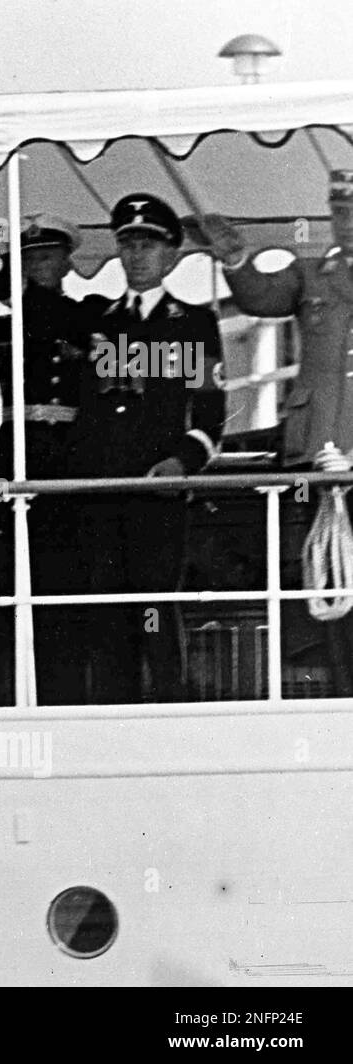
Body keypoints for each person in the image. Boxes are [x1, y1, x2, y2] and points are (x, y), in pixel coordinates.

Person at [68, 193, 225, 704]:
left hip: (157, 493)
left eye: (149, 245)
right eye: (128, 244)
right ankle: (116, 722)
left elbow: (209, 416)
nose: (136, 256)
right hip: (102, 491)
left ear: (172, 255)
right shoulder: (100, 323)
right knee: (107, 612)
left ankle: (168, 713)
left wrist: (182, 461)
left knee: (155, 610)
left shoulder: (193, 324)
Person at [201, 168, 353, 692]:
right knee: (333, 574)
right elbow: (260, 299)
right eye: (340, 212)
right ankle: (342, 695)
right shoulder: (310, 273)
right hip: (324, 450)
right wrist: (235, 259)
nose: (348, 221)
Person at [0, 215, 94, 704]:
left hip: (67, 458)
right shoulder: (0, 327)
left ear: (68, 261)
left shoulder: (86, 315)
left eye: (46, 256)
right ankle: (11, 698)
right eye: (29, 257)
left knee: (63, 589)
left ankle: (62, 702)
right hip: (12, 456)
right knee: (7, 586)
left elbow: (47, 314)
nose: (37, 265)